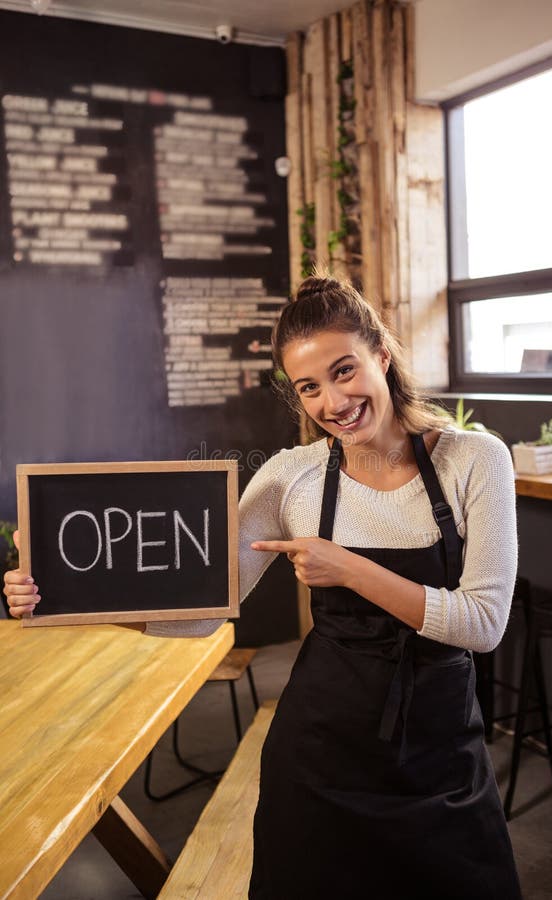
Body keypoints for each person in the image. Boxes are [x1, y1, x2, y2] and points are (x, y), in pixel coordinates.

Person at [4, 274, 522, 899]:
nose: (333, 401)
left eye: (344, 370)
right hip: (319, 754)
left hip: (440, 755)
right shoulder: (289, 478)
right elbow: (203, 611)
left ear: (381, 355)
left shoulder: (474, 460)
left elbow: (483, 625)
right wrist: (68, 597)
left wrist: (348, 567)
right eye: (309, 387)